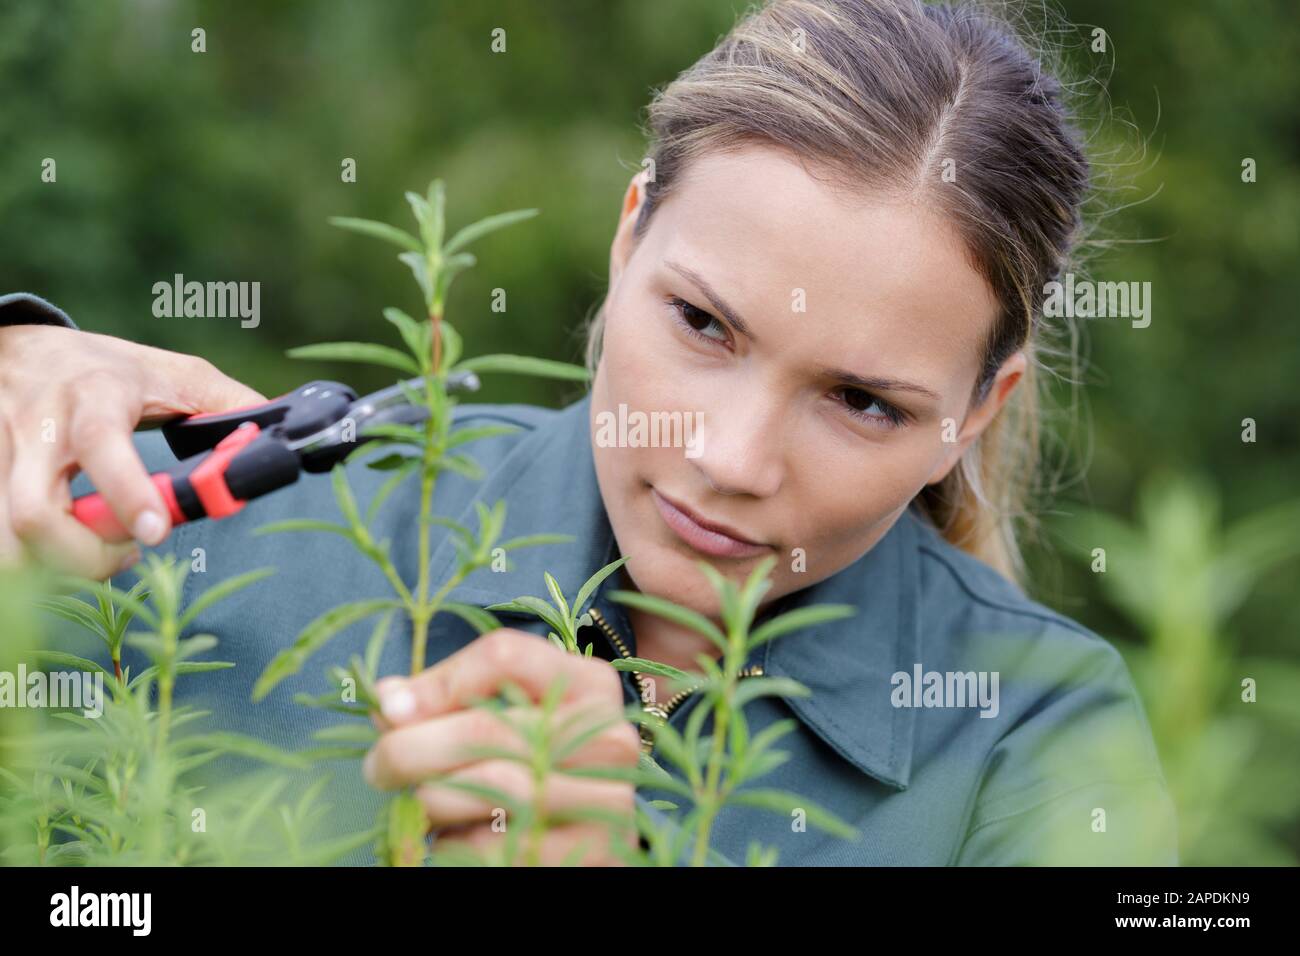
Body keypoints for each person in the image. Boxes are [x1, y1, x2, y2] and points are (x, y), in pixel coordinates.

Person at [0, 0, 1177, 865]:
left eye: (863, 401)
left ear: (978, 410)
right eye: (704, 323)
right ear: (628, 241)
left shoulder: (1037, 731)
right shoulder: (244, 514)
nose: (729, 458)